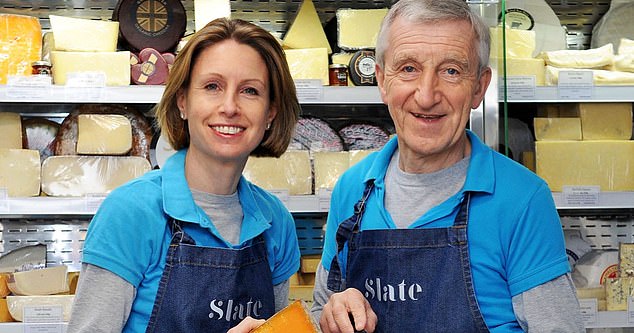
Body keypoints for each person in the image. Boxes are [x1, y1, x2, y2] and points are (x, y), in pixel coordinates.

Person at [311, 1, 583, 332]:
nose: (426, 96)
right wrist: (331, 313)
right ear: (382, 80)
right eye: (408, 68)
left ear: (480, 87)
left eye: (451, 71)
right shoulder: (353, 190)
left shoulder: (522, 200)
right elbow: (320, 311)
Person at [68, 17, 301, 333]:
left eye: (250, 90)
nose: (230, 106)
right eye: (212, 86)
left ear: (270, 112)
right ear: (182, 102)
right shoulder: (131, 213)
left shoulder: (276, 222)